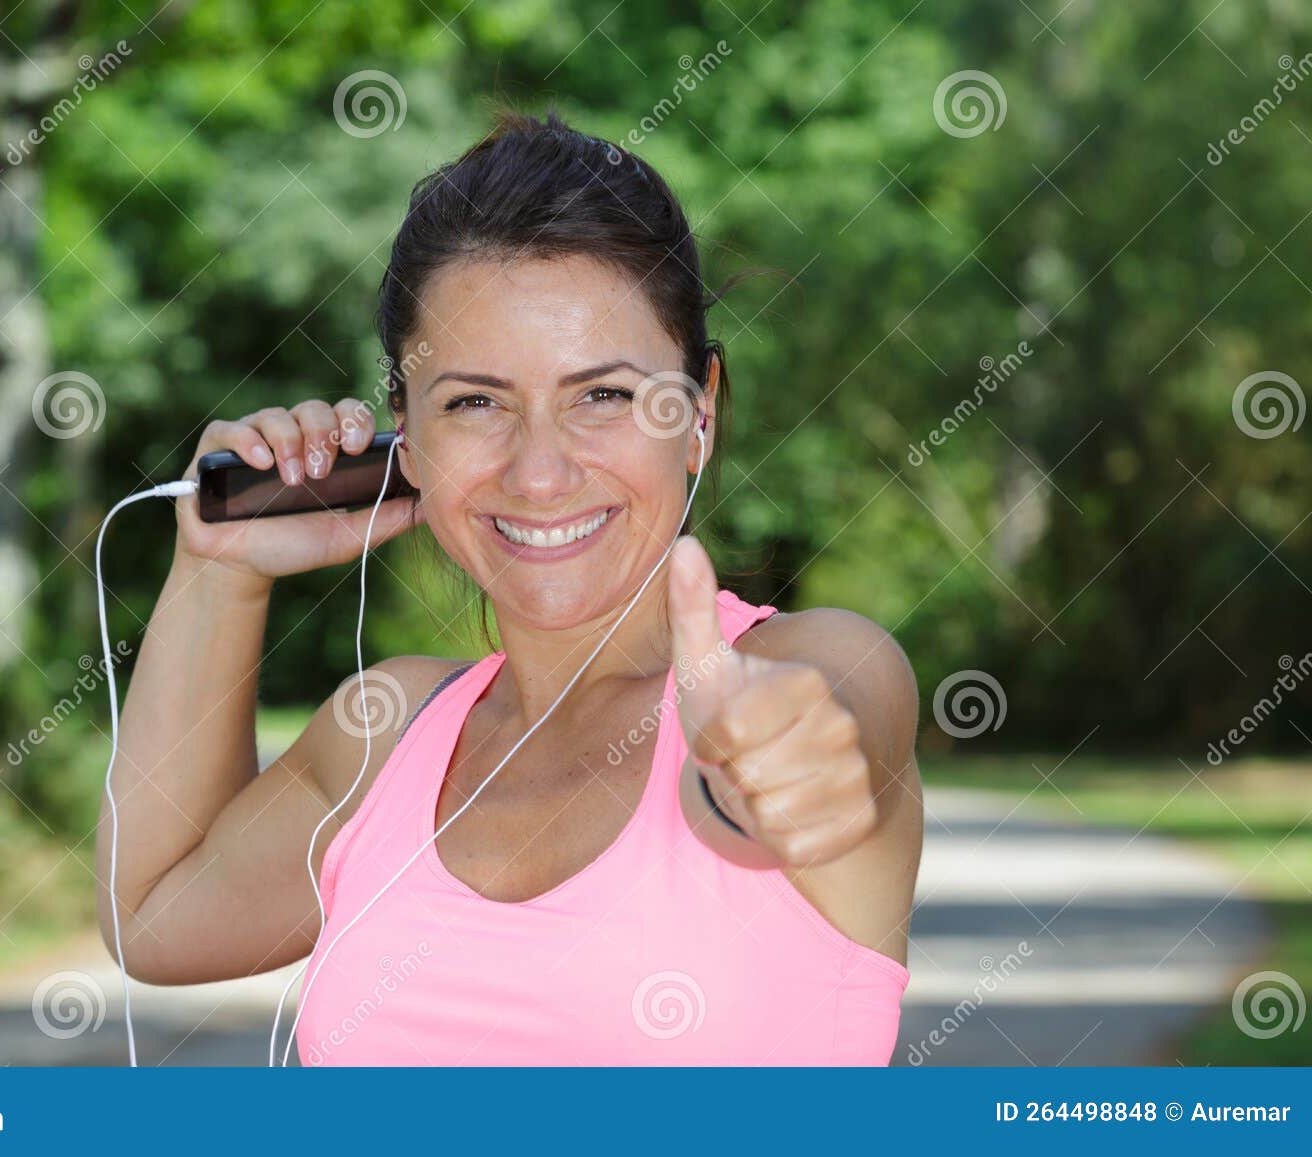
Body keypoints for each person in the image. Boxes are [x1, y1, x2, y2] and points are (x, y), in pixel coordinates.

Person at [96, 108, 923, 1066]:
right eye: (475, 403)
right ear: (404, 434)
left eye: (603, 396)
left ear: (697, 415)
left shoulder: (809, 665)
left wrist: (792, 756)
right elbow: (151, 912)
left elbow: (834, 723)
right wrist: (217, 571)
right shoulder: (388, 732)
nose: (540, 471)